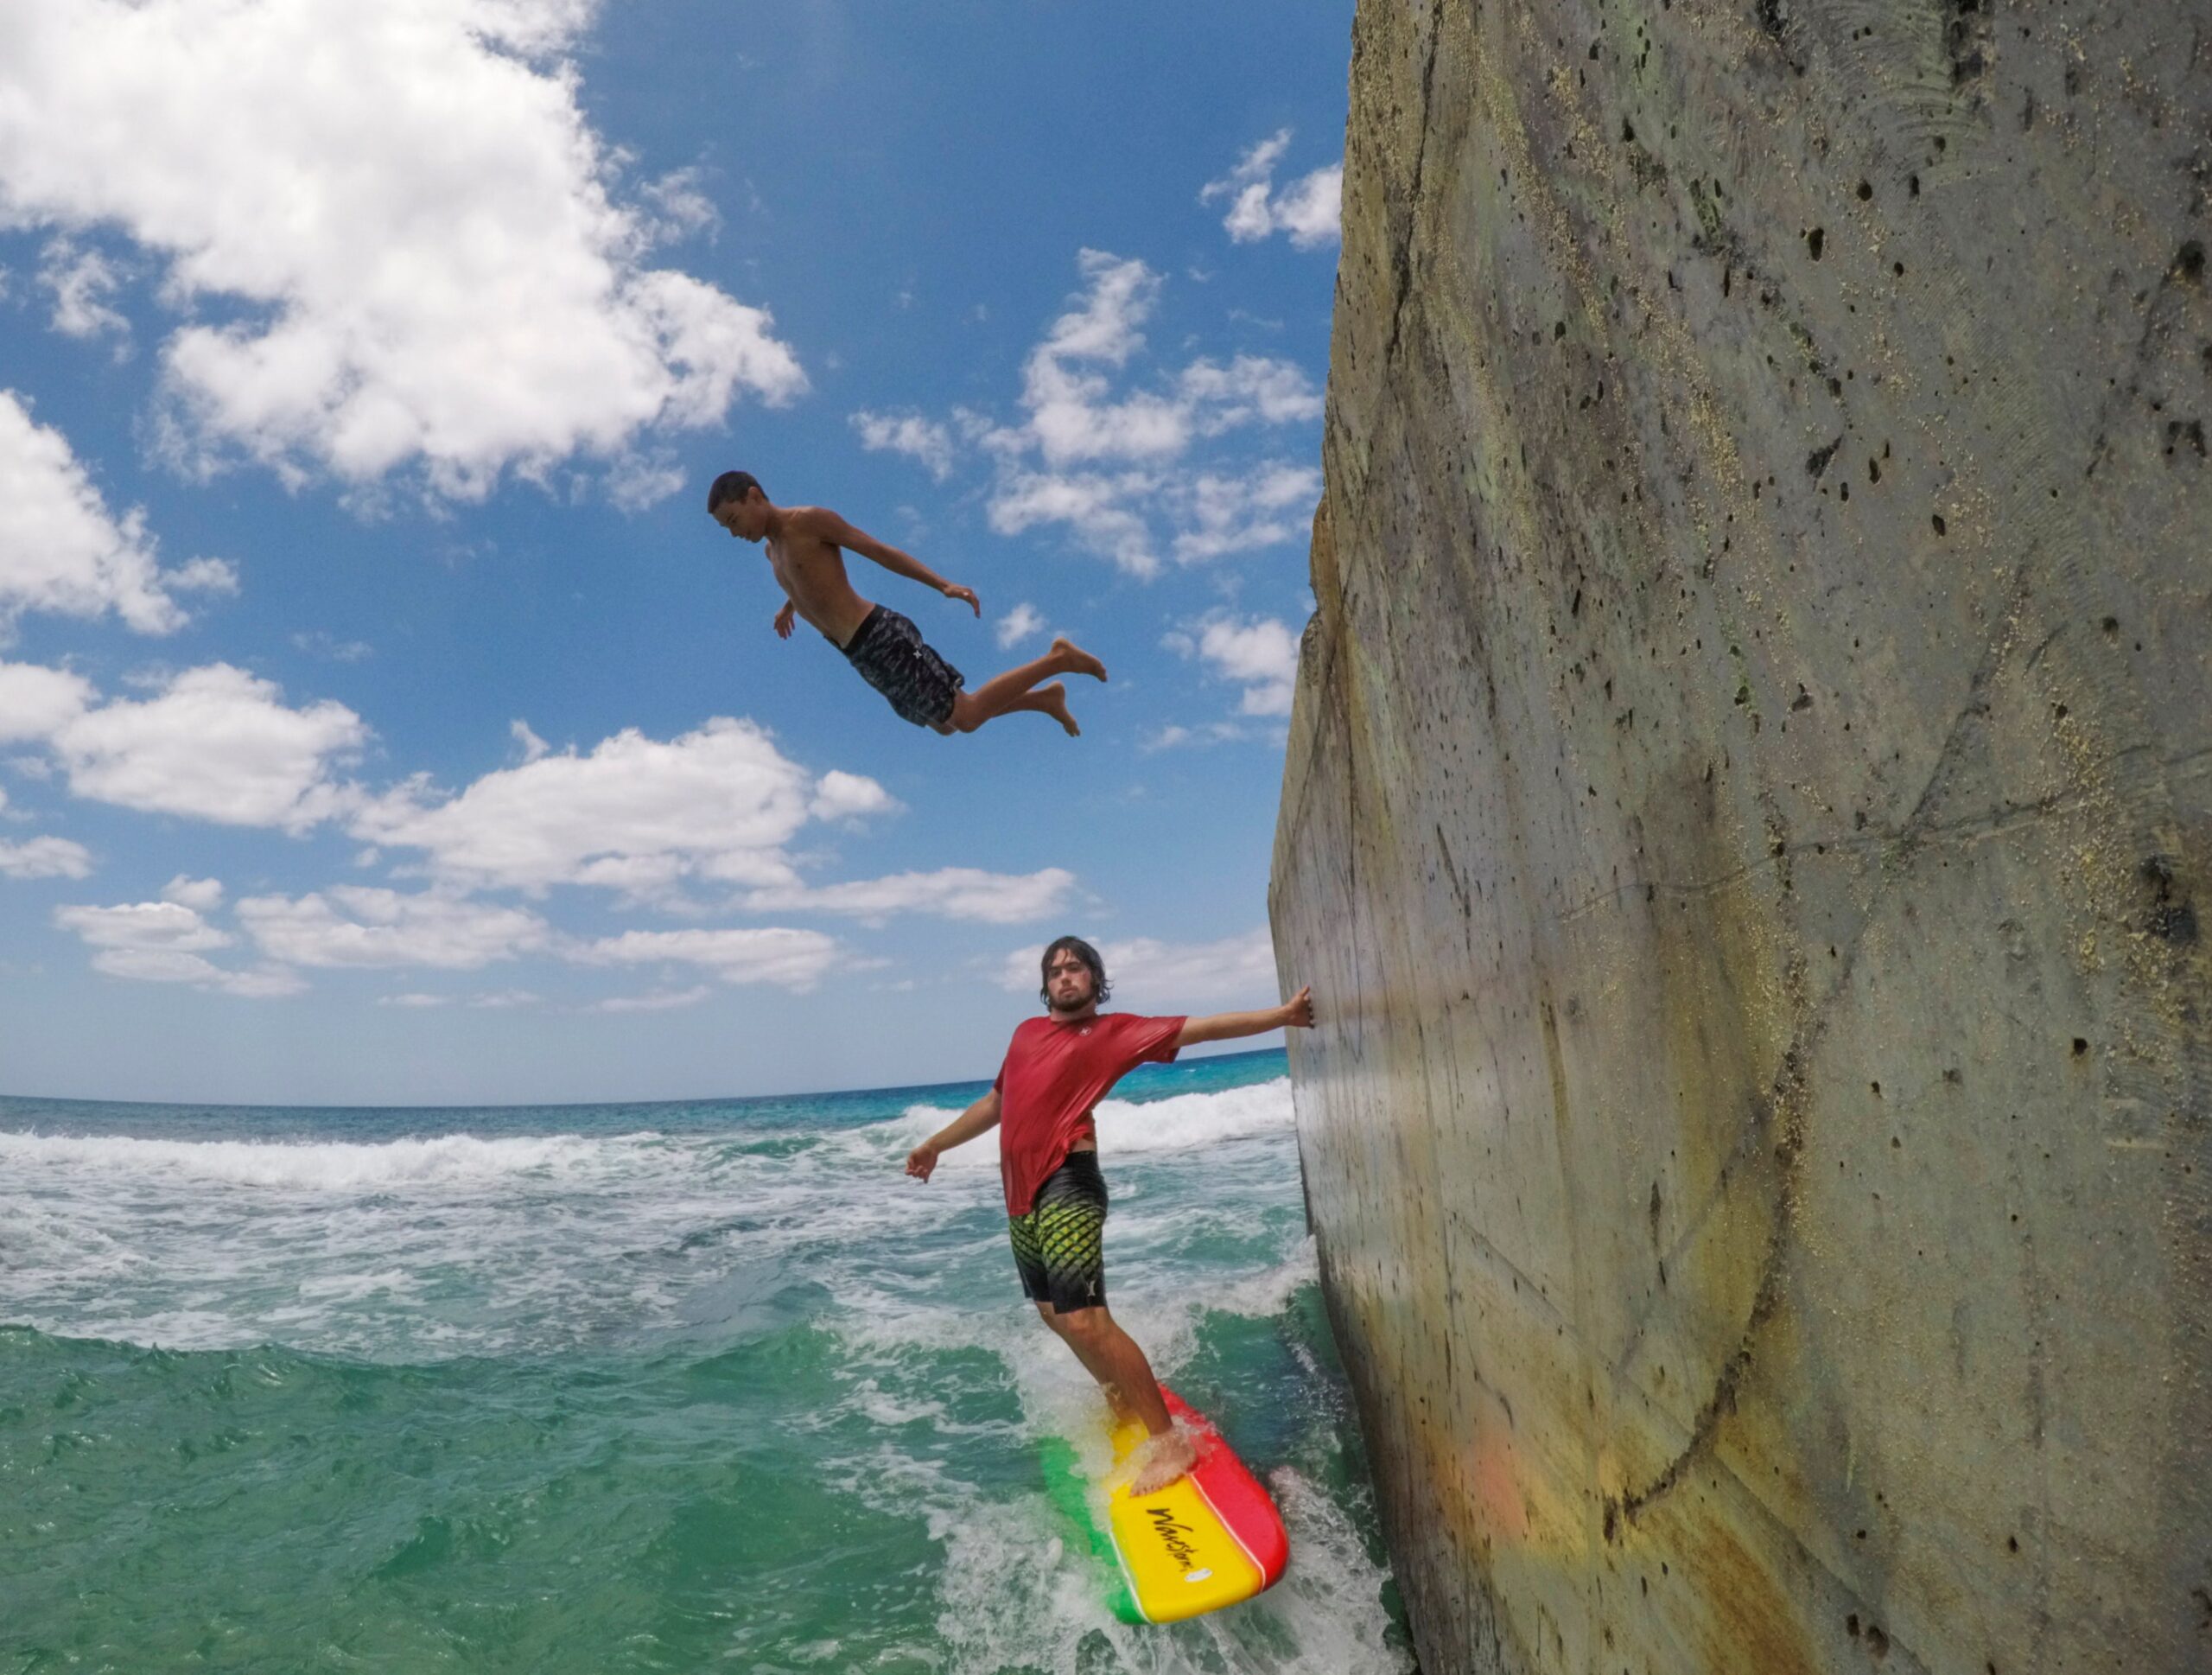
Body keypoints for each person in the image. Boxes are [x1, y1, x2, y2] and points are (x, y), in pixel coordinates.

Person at [904, 934, 1317, 1493]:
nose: (1065, 977)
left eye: (1076, 969)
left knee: (1084, 1318)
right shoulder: (1025, 1035)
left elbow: (1204, 1028)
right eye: (1055, 971)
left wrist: (1284, 1016)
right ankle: (1117, 1390)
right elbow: (996, 1105)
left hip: (1068, 1181)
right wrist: (936, 1145)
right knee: (1052, 1312)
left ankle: (1170, 1443)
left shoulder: (1112, 1033)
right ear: (1045, 985)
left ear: (1096, 981)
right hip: (1019, 1194)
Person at [706, 470, 1108, 736]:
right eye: (726, 528)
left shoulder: (807, 522)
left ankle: (1058, 659)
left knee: (964, 717)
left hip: (879, 635)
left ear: (754, 497)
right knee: (945, 723)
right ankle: (1044, 700)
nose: (733, 533)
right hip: (857, 654)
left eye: (734, 520)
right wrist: (788, 606)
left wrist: (942, 585)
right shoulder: (771, 552)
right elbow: (804, 579)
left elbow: (878, 551)